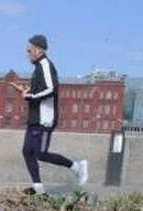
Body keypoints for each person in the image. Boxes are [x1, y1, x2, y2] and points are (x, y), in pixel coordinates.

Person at [10, 34, 88, 195]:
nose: (27, 53)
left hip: (45, 119)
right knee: (27, 151)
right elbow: (40, 90)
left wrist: (30, 96)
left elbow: (51, 89)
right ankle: (39, 189)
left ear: (39, 50)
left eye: (29, 50)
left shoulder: (45, 65)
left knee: (41, 153)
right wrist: (26, 91)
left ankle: (77, 167)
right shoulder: (38, 68)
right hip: (35, 118)